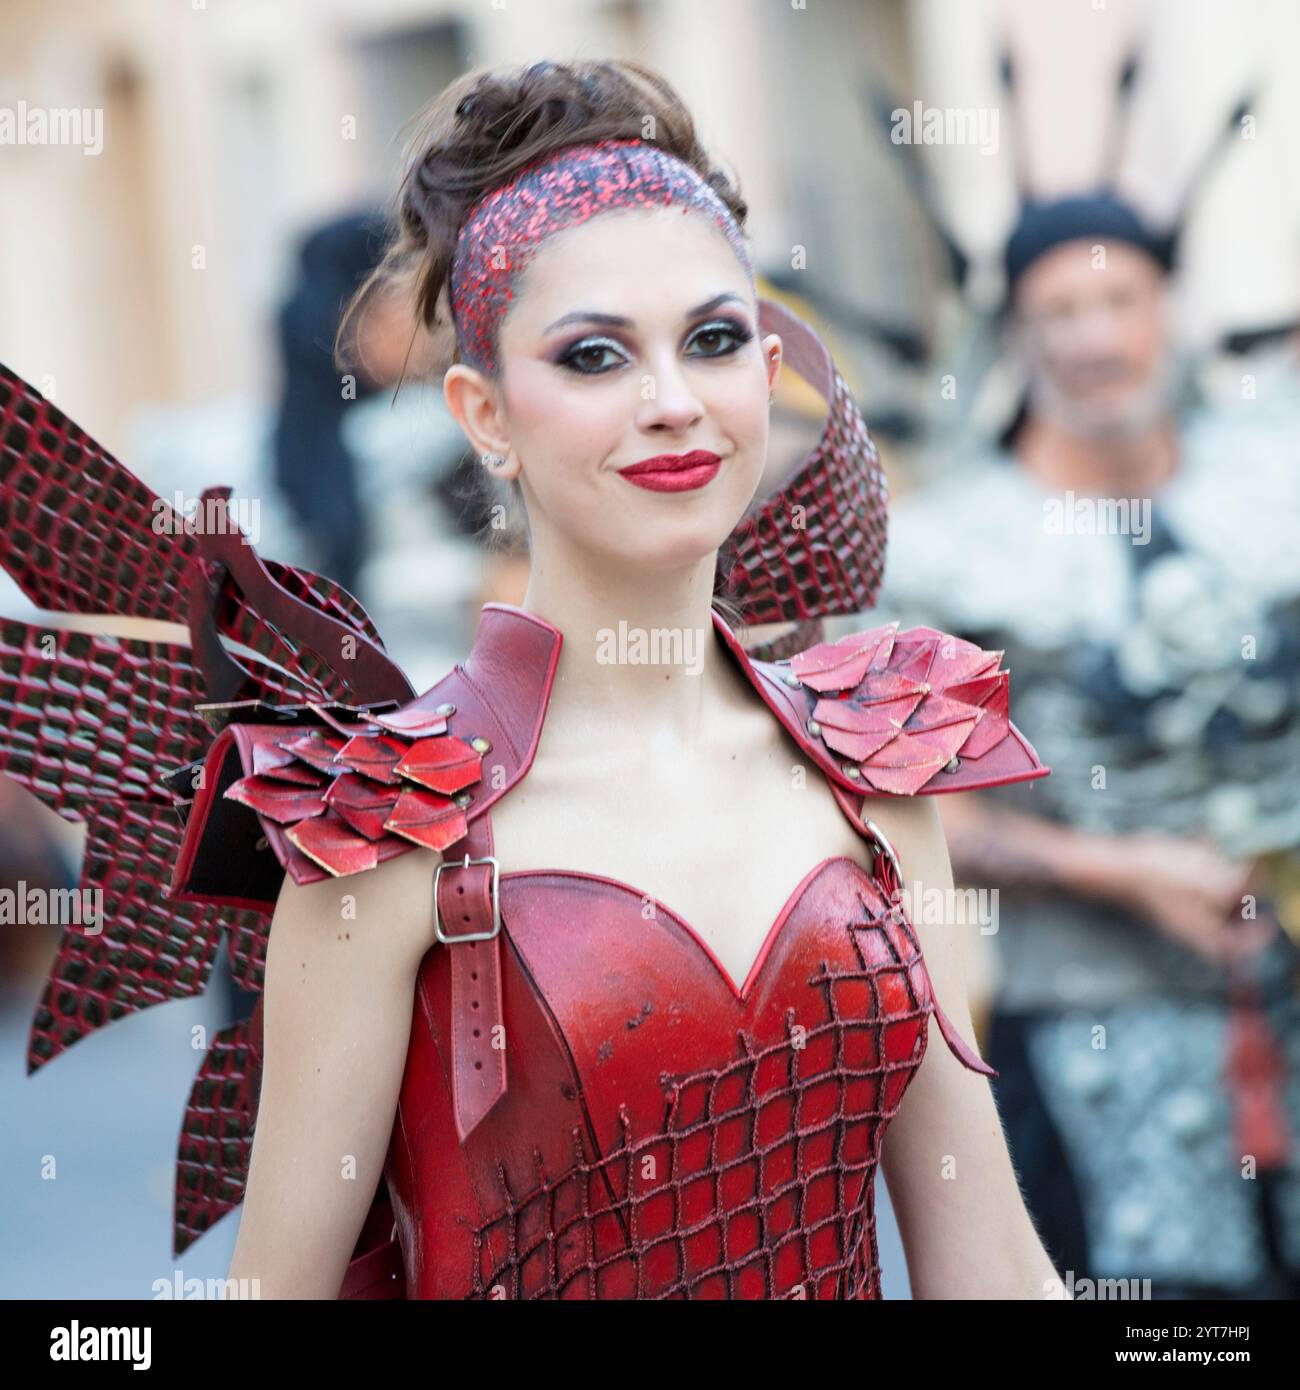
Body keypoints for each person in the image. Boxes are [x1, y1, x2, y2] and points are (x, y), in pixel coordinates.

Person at [0, 58, 1058, 1301]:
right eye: (594, 355)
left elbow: (990, 1264)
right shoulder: (387, 826)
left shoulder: (873, 773)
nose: (674, 402)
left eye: (715, 340)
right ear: (485, 414)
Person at [876, 191, 1300, 1298]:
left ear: (1169, 311)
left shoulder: (1278, 481)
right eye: (1060, 312)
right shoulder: (948, 553)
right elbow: (915, 807)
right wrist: (1118, 871)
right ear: (1017, 338)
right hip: (1093, 1024)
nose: (1096, 339)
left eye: (1119, 302)